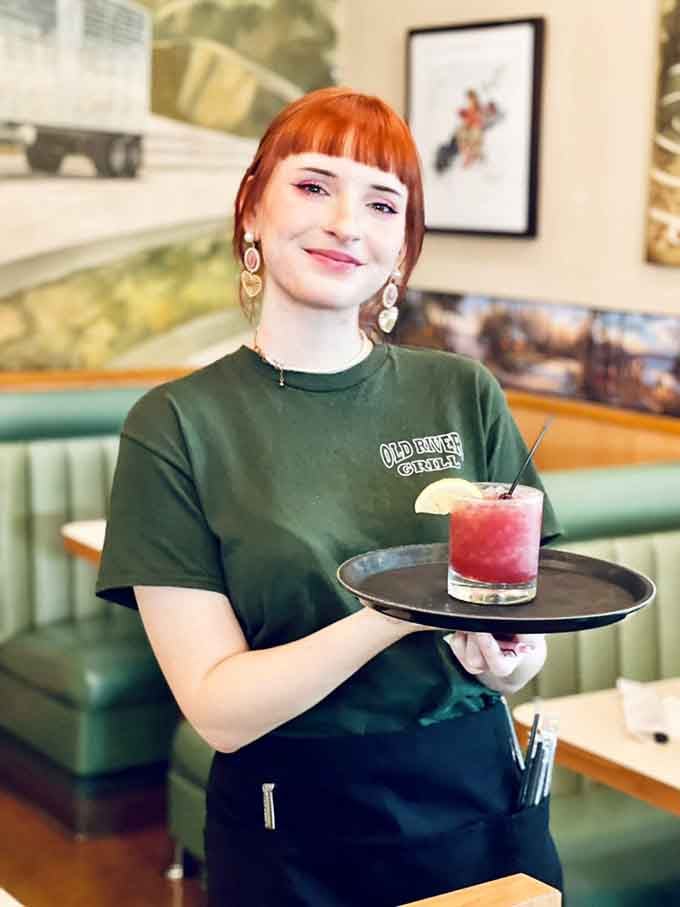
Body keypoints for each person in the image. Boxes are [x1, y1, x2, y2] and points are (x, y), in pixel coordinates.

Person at [95, 86, 563, 906]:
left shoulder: (462, 392)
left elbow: (527, 617)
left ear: (403, 249)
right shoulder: (175, 425)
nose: (348, 222)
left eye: (383, 203)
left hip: (480, 805)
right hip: (296, 828)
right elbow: (220, 710)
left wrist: (513, 659)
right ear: (252, 210)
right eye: (314, 186)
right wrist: (393, 614)